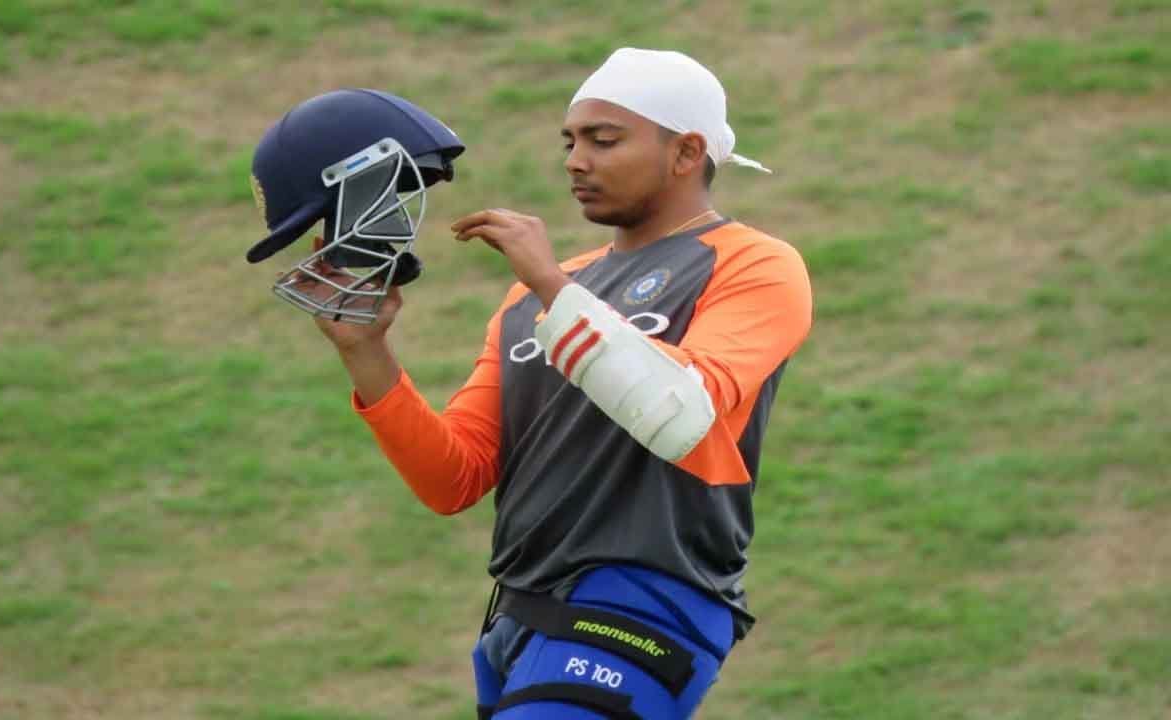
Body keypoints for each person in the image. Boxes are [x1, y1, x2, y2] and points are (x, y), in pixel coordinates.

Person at [255, 49, 812, 719]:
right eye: (570, 141)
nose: (576, 160)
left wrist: (553, 283)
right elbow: (453, 478)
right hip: (518, 618)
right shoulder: (529, 300)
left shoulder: (756, 264)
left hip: (644, 598)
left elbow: (680, 412)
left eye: (604, 140)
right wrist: (367, 351)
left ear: (687, 152)